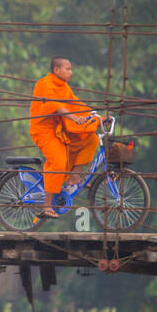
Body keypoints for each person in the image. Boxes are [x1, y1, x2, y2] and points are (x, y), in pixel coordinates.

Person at [28, 57, 100, 218]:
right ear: (56, 70)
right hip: (44, 130)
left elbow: (75, 104)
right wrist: (74, 118)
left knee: (91, 139)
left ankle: (75, 173)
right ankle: (47, 206)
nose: (70, 72)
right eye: (67, 68)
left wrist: (96, 116)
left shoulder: (64, 87)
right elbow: (55, 105)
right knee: (58, 163)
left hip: (60, 129)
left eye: (70, 69)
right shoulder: (44, 84)